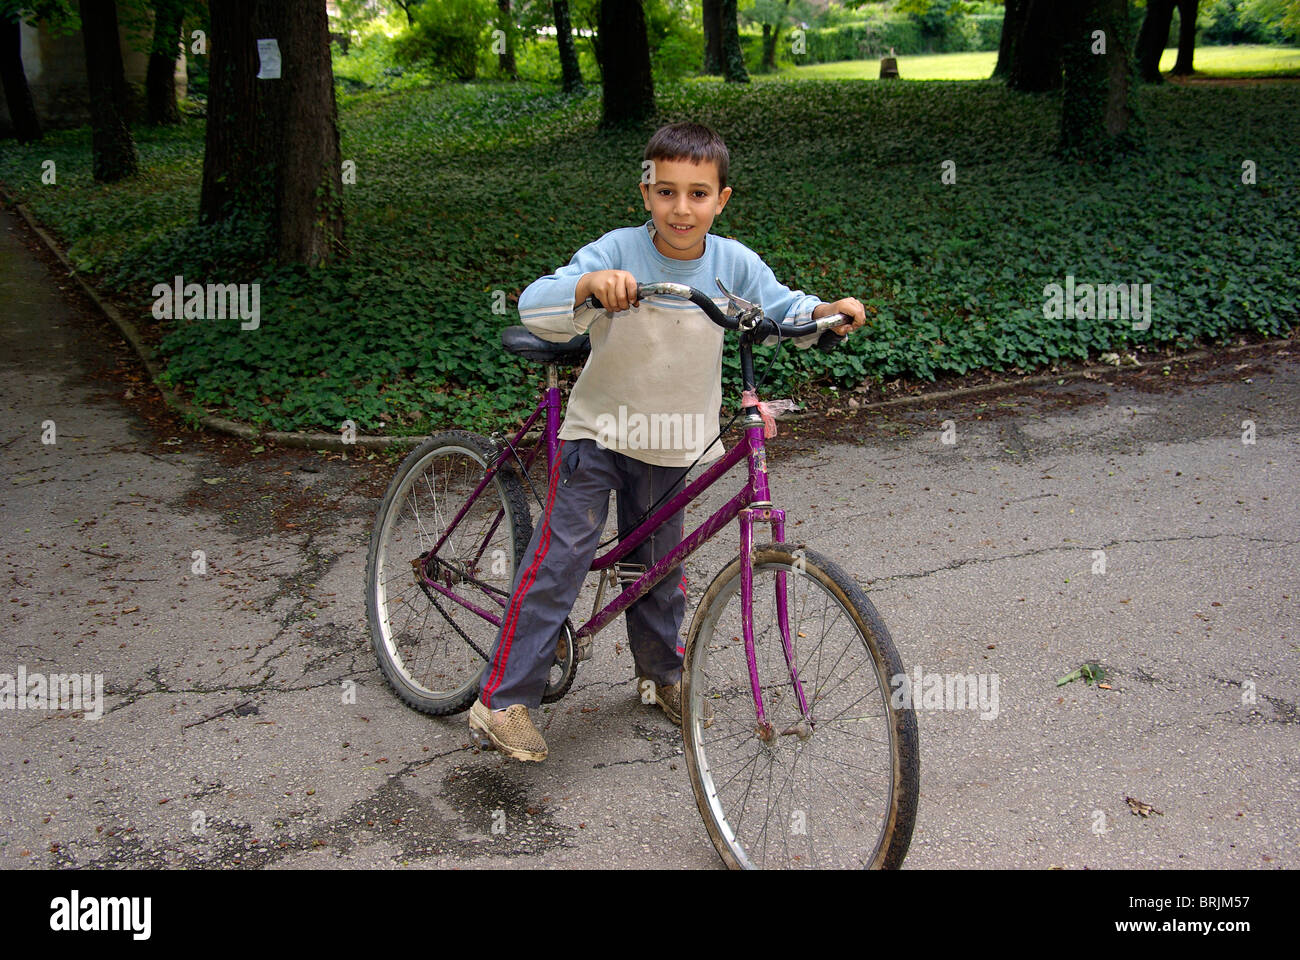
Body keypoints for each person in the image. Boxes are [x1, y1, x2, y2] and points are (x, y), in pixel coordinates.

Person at [469, 121, 866, 761]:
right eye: (667, 192)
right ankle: (504, 700)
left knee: (658, 569)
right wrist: (588, 287)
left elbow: (780, 310)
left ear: (721, 199)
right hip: (600, 435)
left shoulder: (733, 264)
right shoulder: (618, 250)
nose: (682, 208)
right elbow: (536, 302)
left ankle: (661, 676)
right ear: (646, 192)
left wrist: (823, 314)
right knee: (563, 559)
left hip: (673, 444)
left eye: (699, 194)